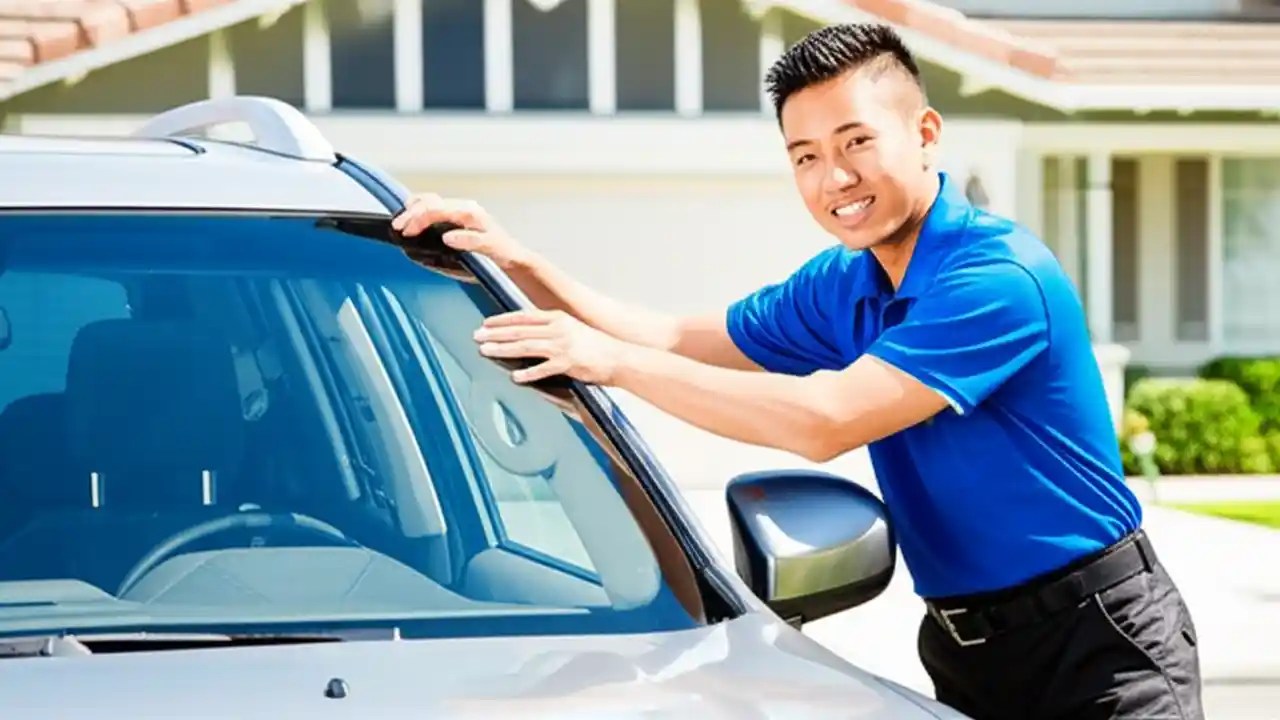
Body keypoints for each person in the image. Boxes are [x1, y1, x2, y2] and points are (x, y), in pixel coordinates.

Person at [391, 22, 1203, 720]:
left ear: (924, 134)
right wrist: (518, 256)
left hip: (1099, 645)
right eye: (805, 155)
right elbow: (674, 334)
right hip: (965, 648)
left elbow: (823, 421)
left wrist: (610, 364)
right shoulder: (846, 282)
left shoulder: (994, 279)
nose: (834, 179)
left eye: (856, 143)